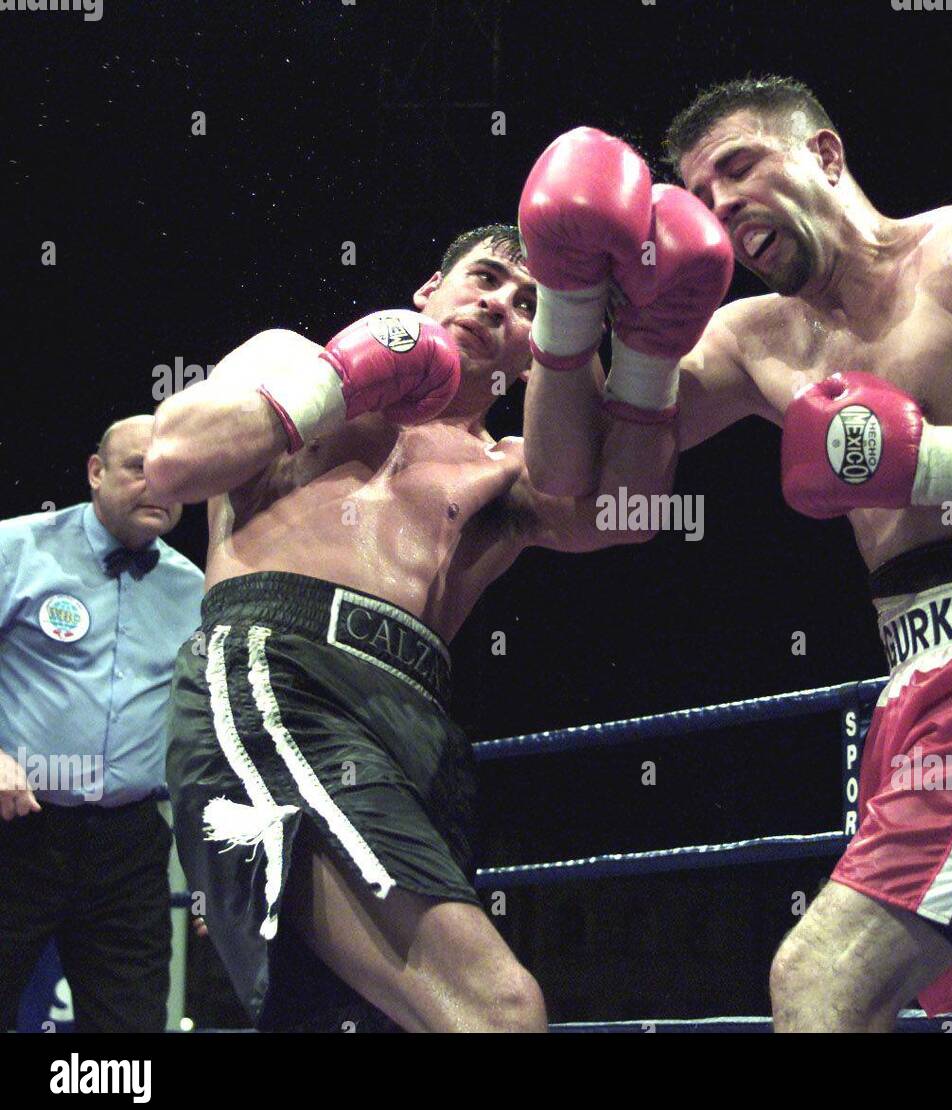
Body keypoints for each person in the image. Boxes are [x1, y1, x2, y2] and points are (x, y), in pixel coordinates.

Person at [520, 79, 952, 1033]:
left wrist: (932, 463)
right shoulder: (755, 338)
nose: (718, 207)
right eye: (699, 195)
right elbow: (584, 493)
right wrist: (572, 308)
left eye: (739, 167)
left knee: (820, 979)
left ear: (827, 156)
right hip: (922, 677)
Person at [146, 221, 730, 1032]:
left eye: (531, 305)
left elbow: (623, 511)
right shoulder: (291, 358)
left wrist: (646, 347)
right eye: (486, 279)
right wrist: (345, 380)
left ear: (537, 349)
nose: (499, 306)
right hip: (280, 675)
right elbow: (172, 459)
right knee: (498, 1008)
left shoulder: (507, 468)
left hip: (417, 729)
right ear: (429, 289)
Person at [0, 416, 204, 1031]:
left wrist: (211, 866)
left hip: (130, 847)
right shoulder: (16, 547)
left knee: (131, 1032)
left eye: (173, 475)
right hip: (17, 831)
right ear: (96, 472)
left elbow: (204, 735)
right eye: (138, 468)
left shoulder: (193, 587)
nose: (157, 487)